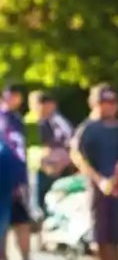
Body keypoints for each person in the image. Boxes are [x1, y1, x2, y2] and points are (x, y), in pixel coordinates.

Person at [70, 84, 118, 260]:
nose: (111, 106)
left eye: (114, 101)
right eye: (106, 101)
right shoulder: (88, 128)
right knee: (102, 236)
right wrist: (99, 180)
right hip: (99, 190)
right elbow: (79, 157)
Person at [1, 83, 35, 260]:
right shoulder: (5, 119)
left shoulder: (16, 119)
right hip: (7, 176)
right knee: (5, 224)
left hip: (16, 175)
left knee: (21, 222)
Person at [31, 90, 75, 220]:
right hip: (40, 167)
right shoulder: (32, 121)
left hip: (60, 165)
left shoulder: (58, 121)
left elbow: (70, 139)